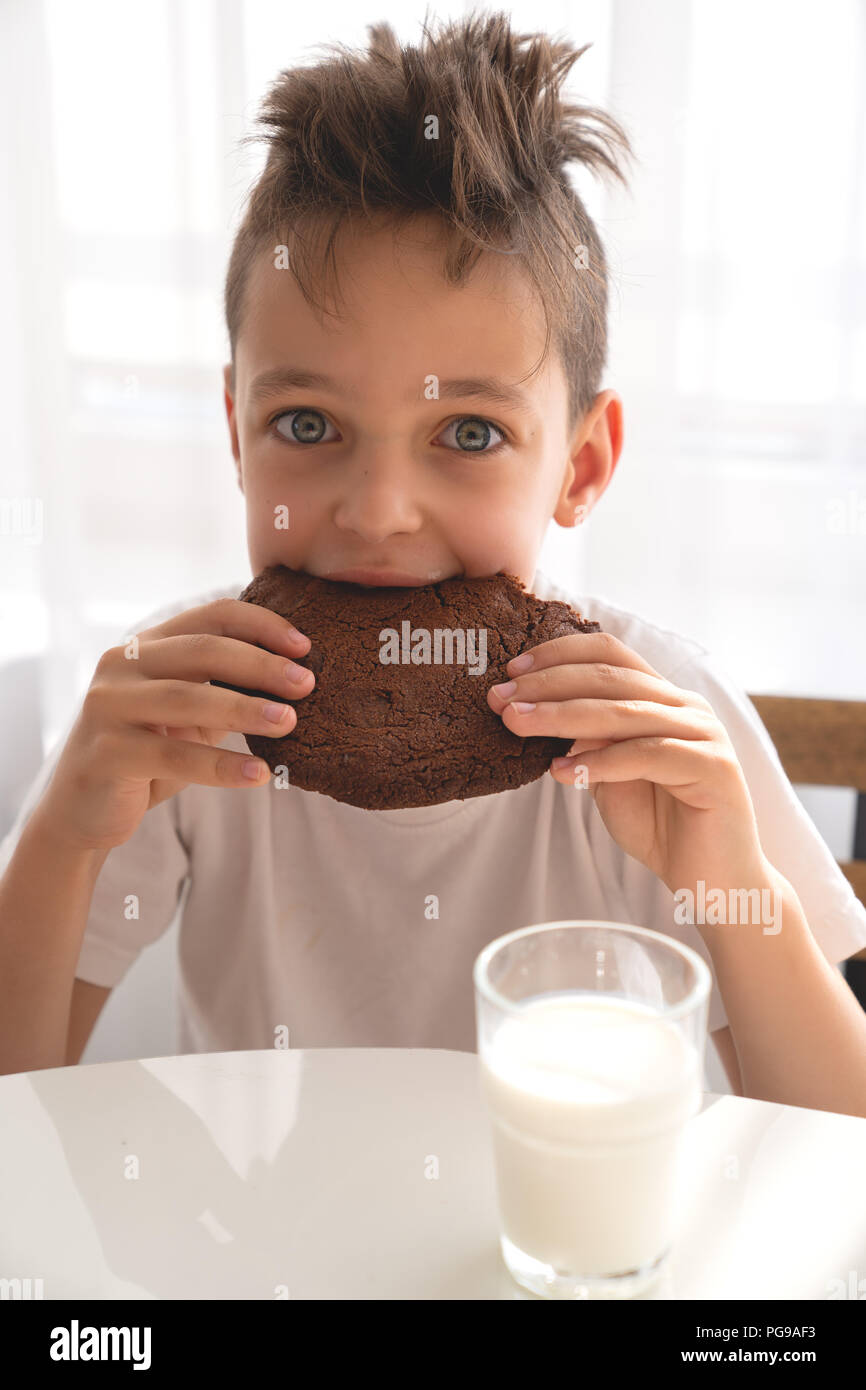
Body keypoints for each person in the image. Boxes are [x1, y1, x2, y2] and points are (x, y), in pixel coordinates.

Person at [2, 11, 865, 1114]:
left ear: (581, 462)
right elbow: (13, 1122)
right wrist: (63, 842)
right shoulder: (188, 713)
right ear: (234, 434)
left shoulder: (661, 721)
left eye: (467, 434)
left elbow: (835, 1164)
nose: (374, 514)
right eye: (307, 425)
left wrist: (732, 886)